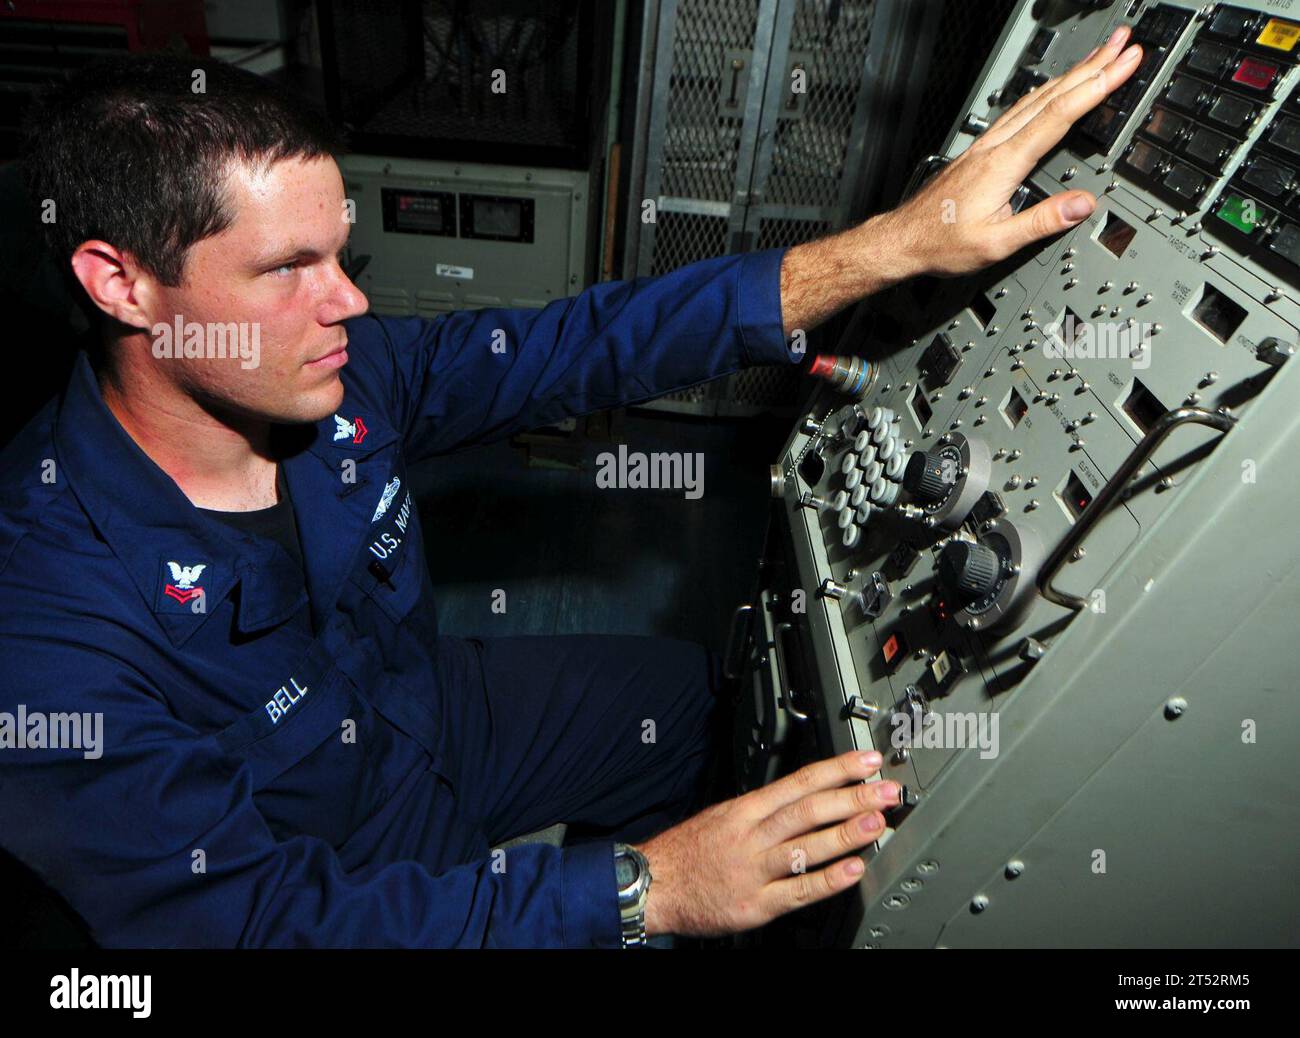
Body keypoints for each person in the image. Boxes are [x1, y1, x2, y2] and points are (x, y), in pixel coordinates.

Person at [0, 29, 1142, 947]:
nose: (348, 302)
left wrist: (890, 248)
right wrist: (643, 892)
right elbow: (247, 920)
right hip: (335, 865)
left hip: (427, 719)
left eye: (340, 255)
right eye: (286, 269)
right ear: (123, 284)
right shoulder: (44, 625)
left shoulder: (341, 380)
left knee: (680, 700)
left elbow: (578, 342)